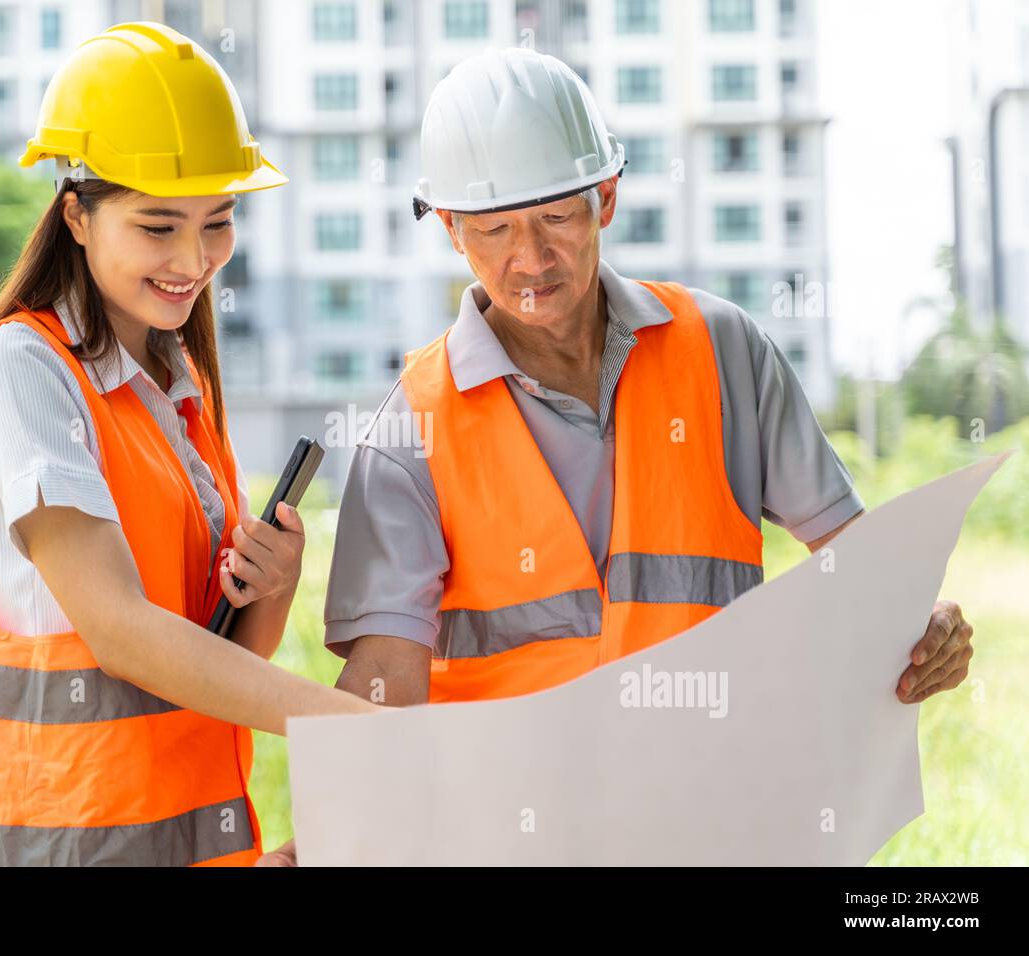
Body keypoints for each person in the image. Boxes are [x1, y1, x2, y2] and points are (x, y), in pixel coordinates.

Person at [257, 46, 976, 866]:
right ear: (451, 230)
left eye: (557, 217)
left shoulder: (722, 352)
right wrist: (321, 840)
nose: (529, 259)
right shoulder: (408, 430)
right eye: (494, 229)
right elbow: (388, 680)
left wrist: (922, 622)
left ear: (605, 197)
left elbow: (859, 570)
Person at [0, 21, 375, 867]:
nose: (194, 260)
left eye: (218, 223)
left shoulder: (179, 384)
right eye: (158, 227)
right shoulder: (21, 369)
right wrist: (359, 730)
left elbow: (217, 658)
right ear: (78, 218)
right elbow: (123, 634)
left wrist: (270, 587)